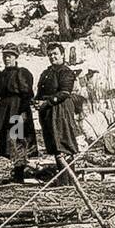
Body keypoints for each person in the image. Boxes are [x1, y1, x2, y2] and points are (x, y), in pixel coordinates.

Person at [0, 44, 37, 183]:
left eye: (9, 56)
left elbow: (28, 94)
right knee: (7, 143)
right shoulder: (0, 76)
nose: (7, 59)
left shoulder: (22, 73)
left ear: (16, 57)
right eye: (5, 56)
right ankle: (15, 171)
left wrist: (22, 112)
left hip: (18, 110)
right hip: (4, 112)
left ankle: (19, 174)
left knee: (17, 139)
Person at [36, 40, 80, 172]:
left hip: (61, 110)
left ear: (62, 55)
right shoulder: (46, 73)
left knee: (63, 141)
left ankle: (68, 178)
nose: (52, 57)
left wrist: (47, 102)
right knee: (54, 143)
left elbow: (64, 93)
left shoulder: (66, 72)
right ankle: (62, 175)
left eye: (55, 54)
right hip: (48, 112)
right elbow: (40, 92)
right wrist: (36, 101)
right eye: (49, 55)